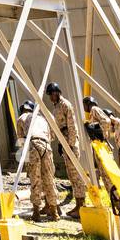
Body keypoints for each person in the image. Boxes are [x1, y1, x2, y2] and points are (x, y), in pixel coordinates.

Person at [45, 82, 87, 214]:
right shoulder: (56, 107)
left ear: (56, 93)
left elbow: (72, 126)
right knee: (71, 174)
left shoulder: (65, 105)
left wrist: (71, 145)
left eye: (51, 95)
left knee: (75, 174)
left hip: (70, 141)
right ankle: (78, 203)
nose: (50, 98)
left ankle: (81, 203)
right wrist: (60, 143)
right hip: (64, 140)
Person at [16, 100, 60, 222]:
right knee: (49, 178)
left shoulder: (22, 118)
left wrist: (25, 162)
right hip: (46, 145)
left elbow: (21, 141)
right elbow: (52, 136)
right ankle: (54, 212)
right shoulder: (42, 118)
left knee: (35, 179)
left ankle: (36, 212)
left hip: (33, 144)